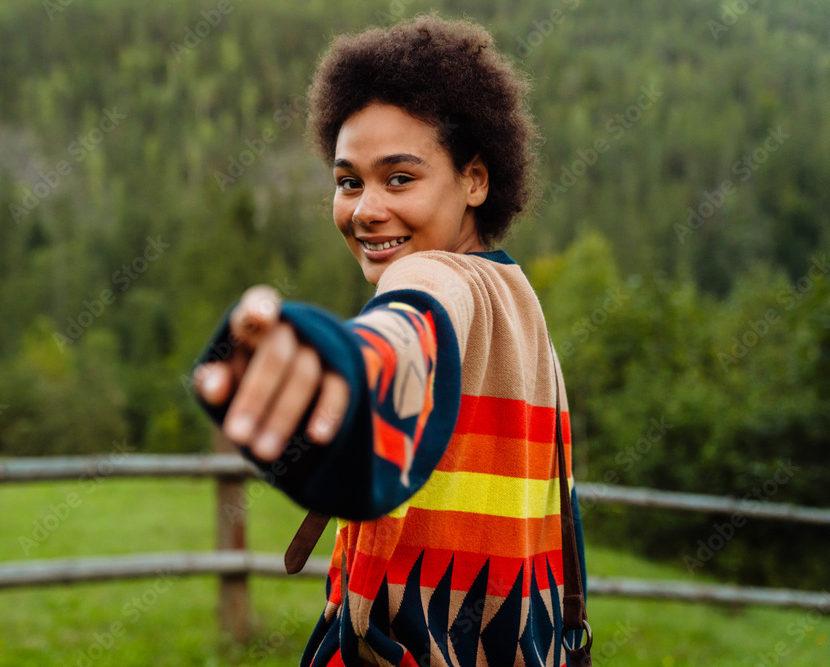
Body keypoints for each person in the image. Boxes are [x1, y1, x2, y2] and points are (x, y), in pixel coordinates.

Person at [195, 14, 587, 666]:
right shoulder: (520, 306)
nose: (365, 209)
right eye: (349, 181)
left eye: (399, 177)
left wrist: (340, 372)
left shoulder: (430, 278)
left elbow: (403, 335)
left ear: (476, 180)